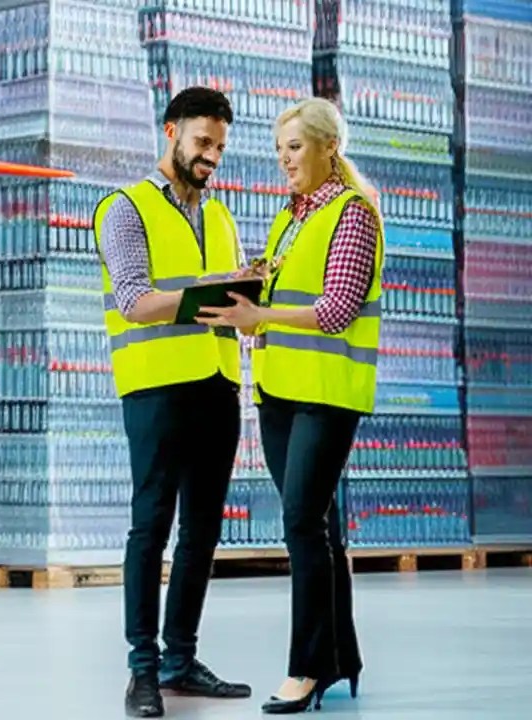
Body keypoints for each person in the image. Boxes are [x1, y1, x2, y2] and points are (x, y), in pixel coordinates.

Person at [196, 96, 381, 714]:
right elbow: (286, 292)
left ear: (329, 147)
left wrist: (262, 313)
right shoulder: (291, 217)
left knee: (301, 521)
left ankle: (305, 668)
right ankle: (341, 658)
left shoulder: (352, 215)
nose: (285, 161)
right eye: (279, 151)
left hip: (326, 393)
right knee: (321, 525)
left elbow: (337, 309)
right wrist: (248, 287)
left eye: (295, 148)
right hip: (279, 391)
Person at [92, 86, 253, 718]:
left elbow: (227, 303)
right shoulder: (124, 208)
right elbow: (133, 298)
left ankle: (181, 659)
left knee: (203, 530)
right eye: (201, 142)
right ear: (170, 132)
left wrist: (251, 298)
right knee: (151, 525)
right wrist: (208, 288)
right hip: (156, 385)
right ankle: (143, 669)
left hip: (217, 382)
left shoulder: (221, 217)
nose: (211, 154)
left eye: (219, 145)